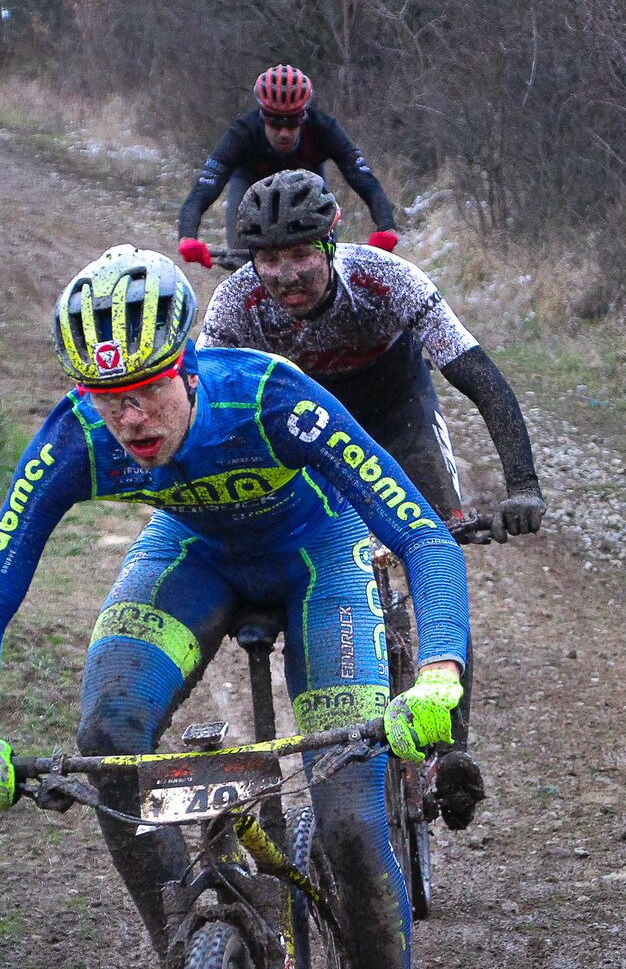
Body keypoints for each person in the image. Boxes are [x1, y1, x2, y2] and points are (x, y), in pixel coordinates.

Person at [0, 245, 467, 969]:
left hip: (318, 563)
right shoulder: (80, 435)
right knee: (107, 742)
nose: (127, 416)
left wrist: (436, 673)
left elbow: (417, 529)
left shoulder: (270, 397)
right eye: (107, 396)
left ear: (186, 364)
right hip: (193, 557)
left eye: (145, 389)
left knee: (347, 816)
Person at [202, 169, 546, 829]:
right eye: (269, 260)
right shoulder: (235, 306)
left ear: (332, 242)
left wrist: (522, 485)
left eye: (300, 254)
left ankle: (451, 754)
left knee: (434, 550)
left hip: (395, 414)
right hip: (300, 431)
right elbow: (207, 414)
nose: (286, 275)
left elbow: (478, 375)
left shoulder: (388, 282)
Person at [177, 64, 396, 267]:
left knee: (325, 259)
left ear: (303, 117)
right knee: (243, 261)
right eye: (274, 122)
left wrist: (385, 227)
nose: (284, 133)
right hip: (249, 183)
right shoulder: (242, 133)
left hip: (307, 181)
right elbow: (204, 189)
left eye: (292, 123)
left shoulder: (324, 128)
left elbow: (365, 180)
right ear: (262, 116)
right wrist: (188, 236)